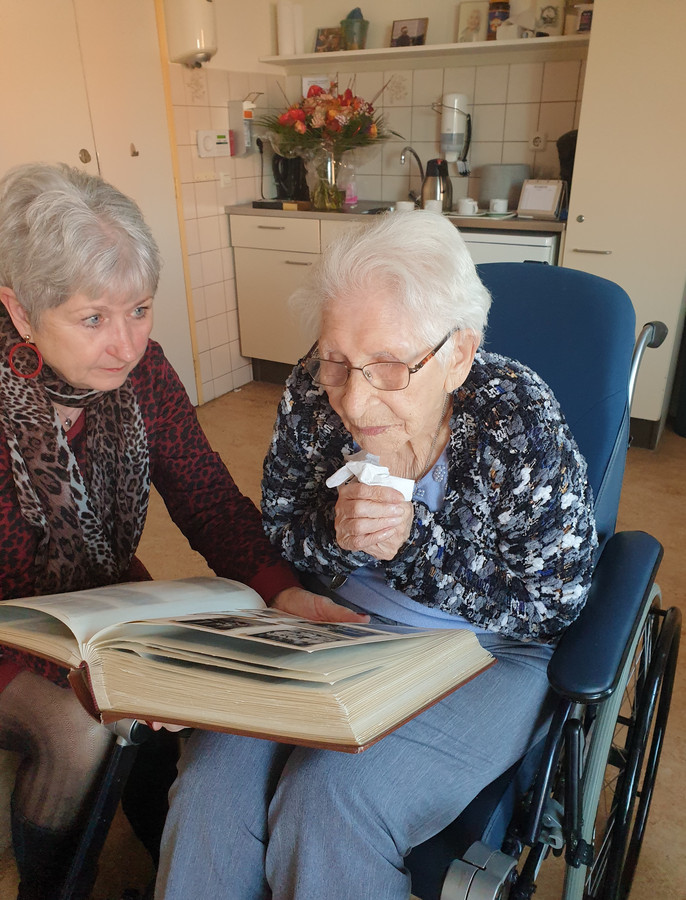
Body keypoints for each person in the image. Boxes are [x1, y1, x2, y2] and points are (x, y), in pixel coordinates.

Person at [155, 210, 598, 899]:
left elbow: (550, 605)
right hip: (335, 621)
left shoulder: (516, 415)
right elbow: (280, 528)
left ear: (457, 354)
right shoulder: (312, 386)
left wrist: (415, 542)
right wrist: (334, 534)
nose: (354, 399)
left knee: (333, 796)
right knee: (213, 781)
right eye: (338, 361)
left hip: (488, 652)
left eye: (389, 366)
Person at [0, 162, 353, 900]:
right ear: (22, 311)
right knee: (76, 728)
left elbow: (208, 500)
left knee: (186, 683)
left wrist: (279, 590)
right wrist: (86, 677)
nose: (126, 344)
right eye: (94, 318)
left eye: (140, 310)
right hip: (10, 624)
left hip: (96, 606)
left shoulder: (145, 377)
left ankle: (173, 865)